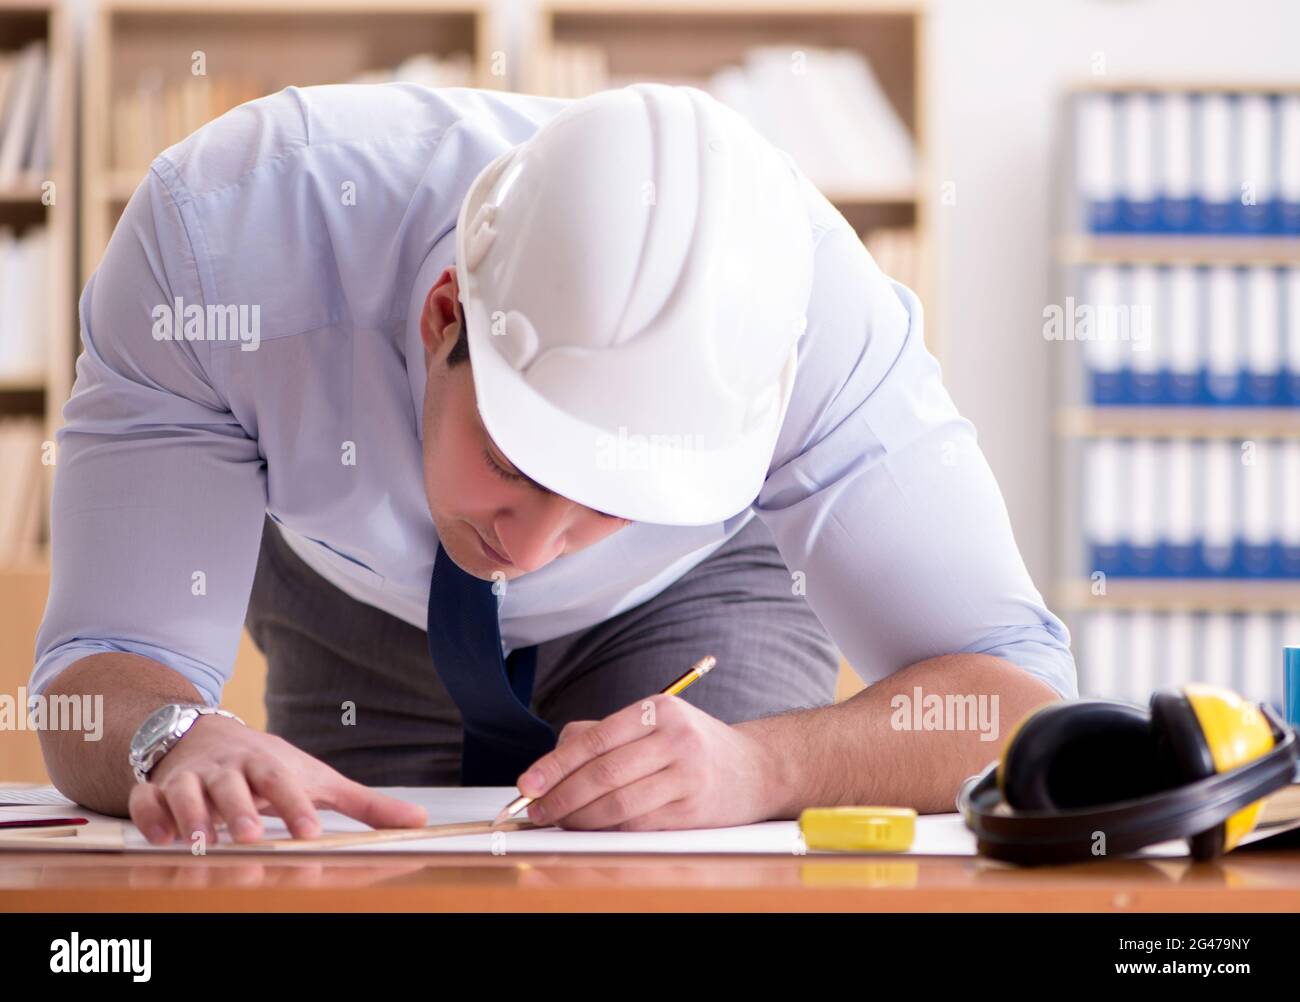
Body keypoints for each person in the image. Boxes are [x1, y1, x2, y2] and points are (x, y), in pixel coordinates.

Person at [33, 82, 1074, 846]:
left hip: (688, 603)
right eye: (514, 459)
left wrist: (768, 765)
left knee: (682, 883)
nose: (531, 545)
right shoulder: (219, 244)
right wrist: (170, 738)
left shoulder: (822, 328)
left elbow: (1015, 695)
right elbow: (104, 664)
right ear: (446, 313)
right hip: (347, 593)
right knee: (343, 876)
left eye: (609, 501)